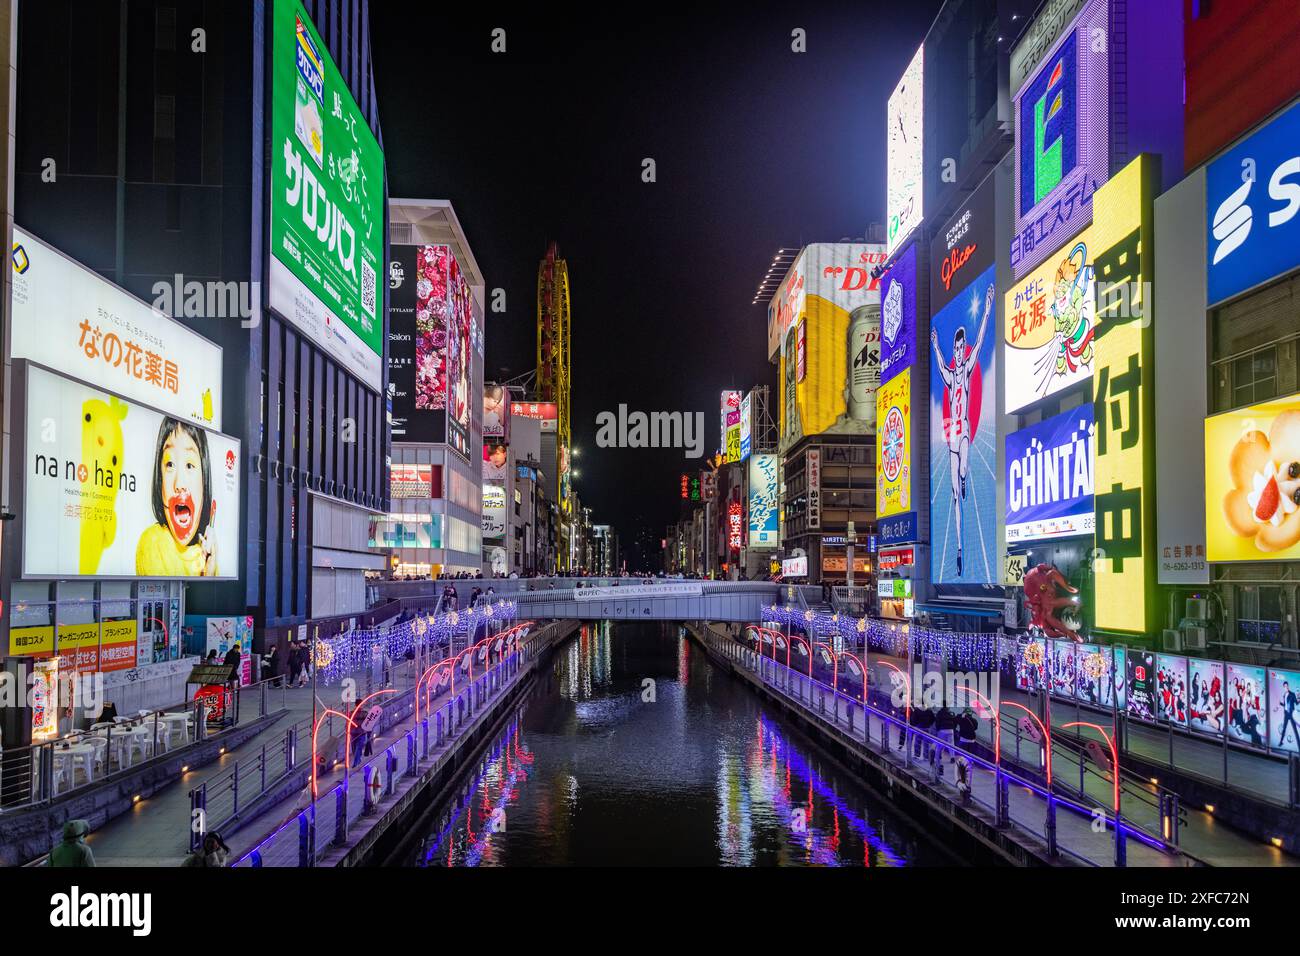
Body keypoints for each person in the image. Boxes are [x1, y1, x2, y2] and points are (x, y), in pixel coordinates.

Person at [930, 282, 994, 577]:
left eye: (959, 346)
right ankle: (958, 550)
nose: (957, 351)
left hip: (964, 429)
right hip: (951, 438)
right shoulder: (949, 372)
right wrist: (934, 344)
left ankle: (966, 477)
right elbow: (940, 362)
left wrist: (988, 308)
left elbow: (980, 342)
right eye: (955, 347)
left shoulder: (966, 369)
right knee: (955, 496)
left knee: (964, 469)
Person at [135, 418, 219, 576]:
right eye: (170, 464)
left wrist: (210, 573)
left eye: (189, 465)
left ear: (204, 480)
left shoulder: (207, 554)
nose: (179, 483)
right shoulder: (153, 543)